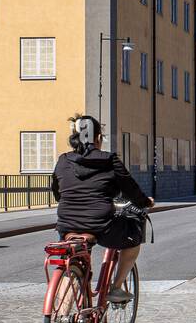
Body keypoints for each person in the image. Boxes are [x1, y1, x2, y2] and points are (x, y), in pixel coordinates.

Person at [50, 115, 154, 302]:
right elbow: (130, 188)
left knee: (71, 262)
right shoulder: (109, 160)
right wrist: (145, 202)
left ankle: (62, 320)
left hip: (67, 223)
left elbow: (56, 191)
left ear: (74, 137)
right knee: (132, 241)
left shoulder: (63, 161)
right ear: (98, 138)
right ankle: (115, 289)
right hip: (101, 224)